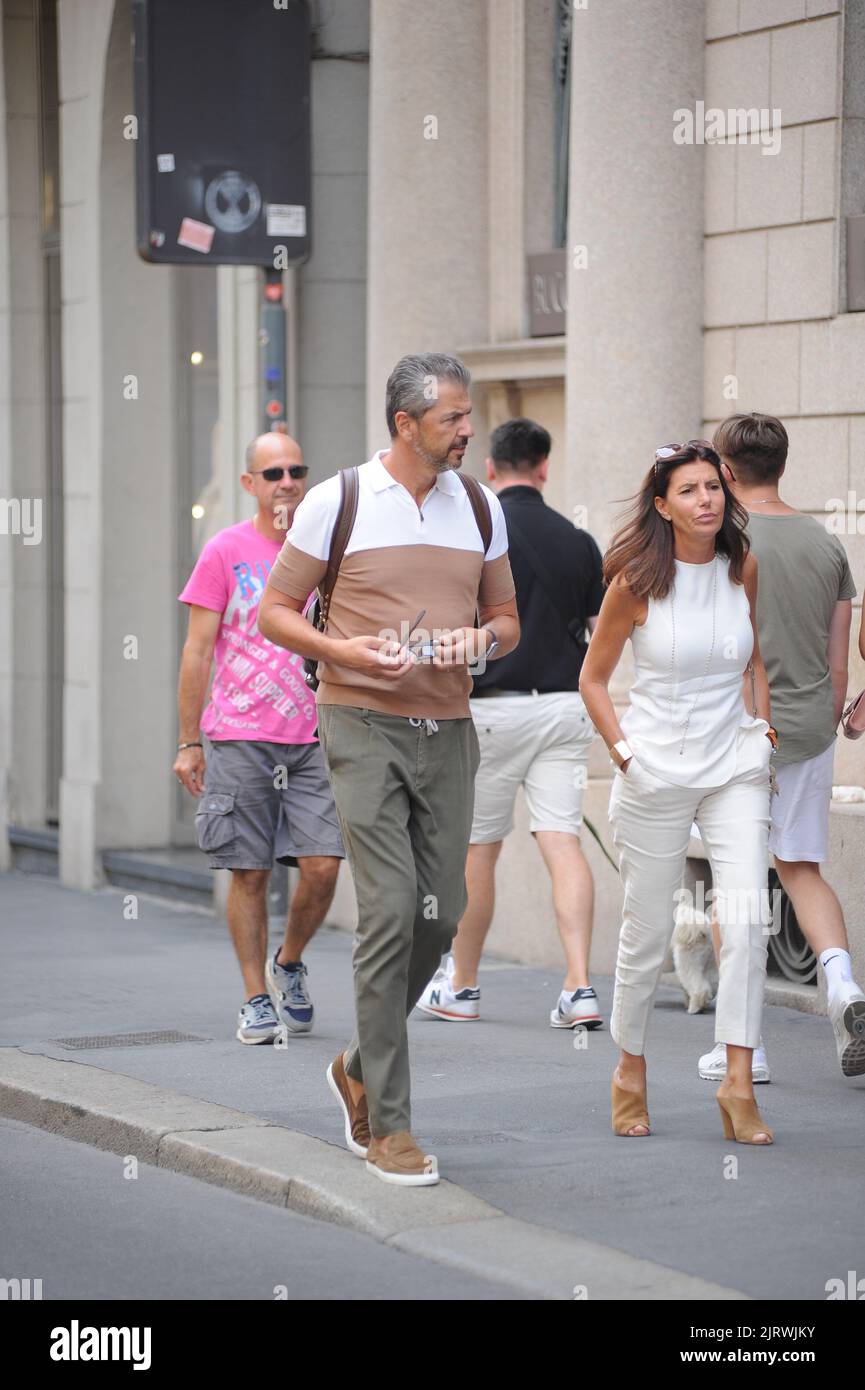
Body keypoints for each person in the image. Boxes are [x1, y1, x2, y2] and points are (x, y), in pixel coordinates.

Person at [258, 353, 519, 1186]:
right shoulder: (337, 500)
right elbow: (272, 613)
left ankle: (356, 1066)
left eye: (467, 415)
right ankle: (390, 1128)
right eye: (451, 418)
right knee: (391, 911)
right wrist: (342, 651)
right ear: (405, 424)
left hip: (449, 727)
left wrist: (481, 639)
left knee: (442, 915)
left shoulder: (478, 504)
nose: (467, 429)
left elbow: (507, 618)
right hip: (359, 721)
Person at [580, 439, 776, 1144]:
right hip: (655, 771)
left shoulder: (742, 566)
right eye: (688, 490)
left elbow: (754, 658)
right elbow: (592, 680)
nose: (705, 500)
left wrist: (765, 729)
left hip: (734, 768)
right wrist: (625, 755)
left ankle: (737, 1084)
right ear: (662, 506)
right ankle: (630, 1068)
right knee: (648, 931)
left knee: (746, 919)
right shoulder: (635, 582)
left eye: (712, 487)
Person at [416, 417, 605, 1028]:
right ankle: (579, 987)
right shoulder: (579, 541)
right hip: (563, 707)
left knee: (479, 848)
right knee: (562, 840)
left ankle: (462, 986)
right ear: (544, 467)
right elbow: (599, 636)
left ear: (491, 469)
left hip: (492, 710)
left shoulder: (475, 533)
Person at [693, 413, 864, 1081]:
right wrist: (831, 720)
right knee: (800, 867)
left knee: (734, 884)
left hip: (733, 731)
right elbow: (839, 661)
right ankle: (842, 985)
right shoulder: (825, 542)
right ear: (782, 466)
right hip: (808, 728)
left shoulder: (719, 539)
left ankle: (745, 1048)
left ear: (725, 470)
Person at [174, 431, 344, 1045]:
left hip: (314, 735)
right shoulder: (225, 550)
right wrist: (188, 742)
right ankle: (254, 998)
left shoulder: (326, 551)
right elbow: (197, 651)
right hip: (240, 735)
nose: (287, 483)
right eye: (273, 473)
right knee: (249, 871)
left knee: (323, 865)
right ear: (250, 484)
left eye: (296, 470)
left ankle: (289, 962)